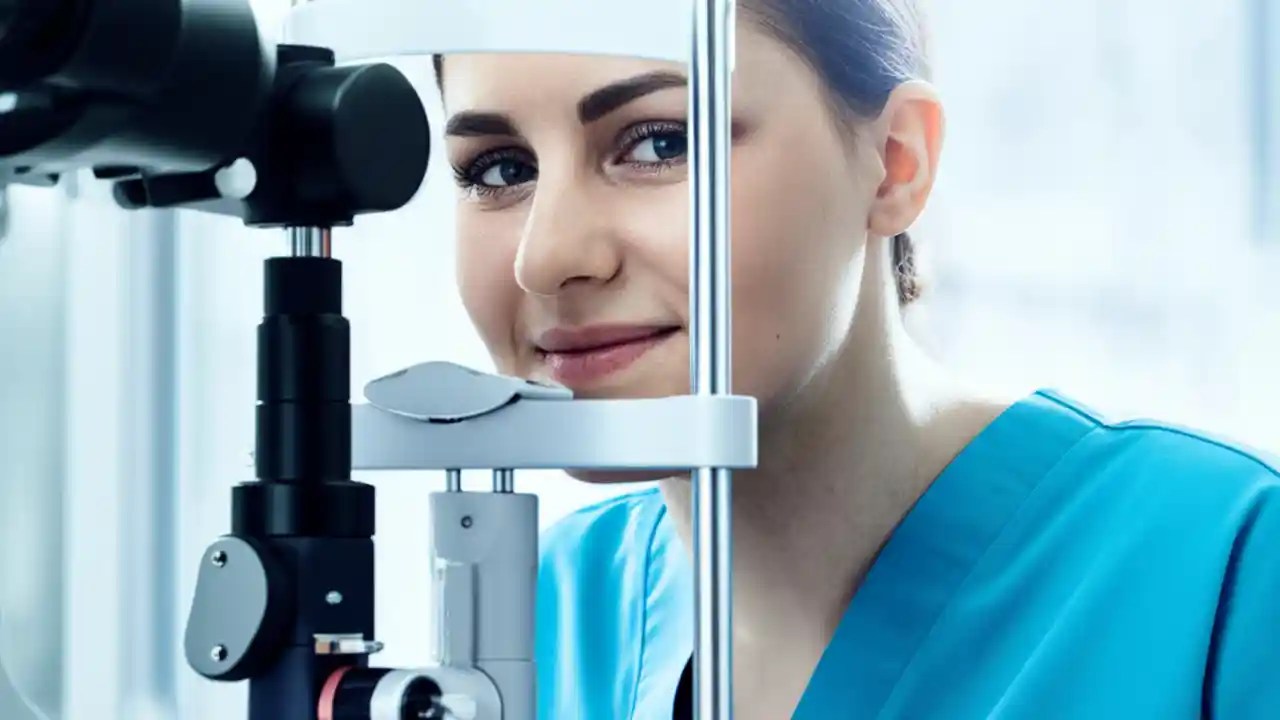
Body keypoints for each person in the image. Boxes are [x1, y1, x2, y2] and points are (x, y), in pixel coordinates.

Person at [432, 1, 1280, 718]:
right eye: (498, 169)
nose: (546, 258)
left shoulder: (1225, 569)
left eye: (659, 143)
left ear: (896, 163)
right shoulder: (542, 609)